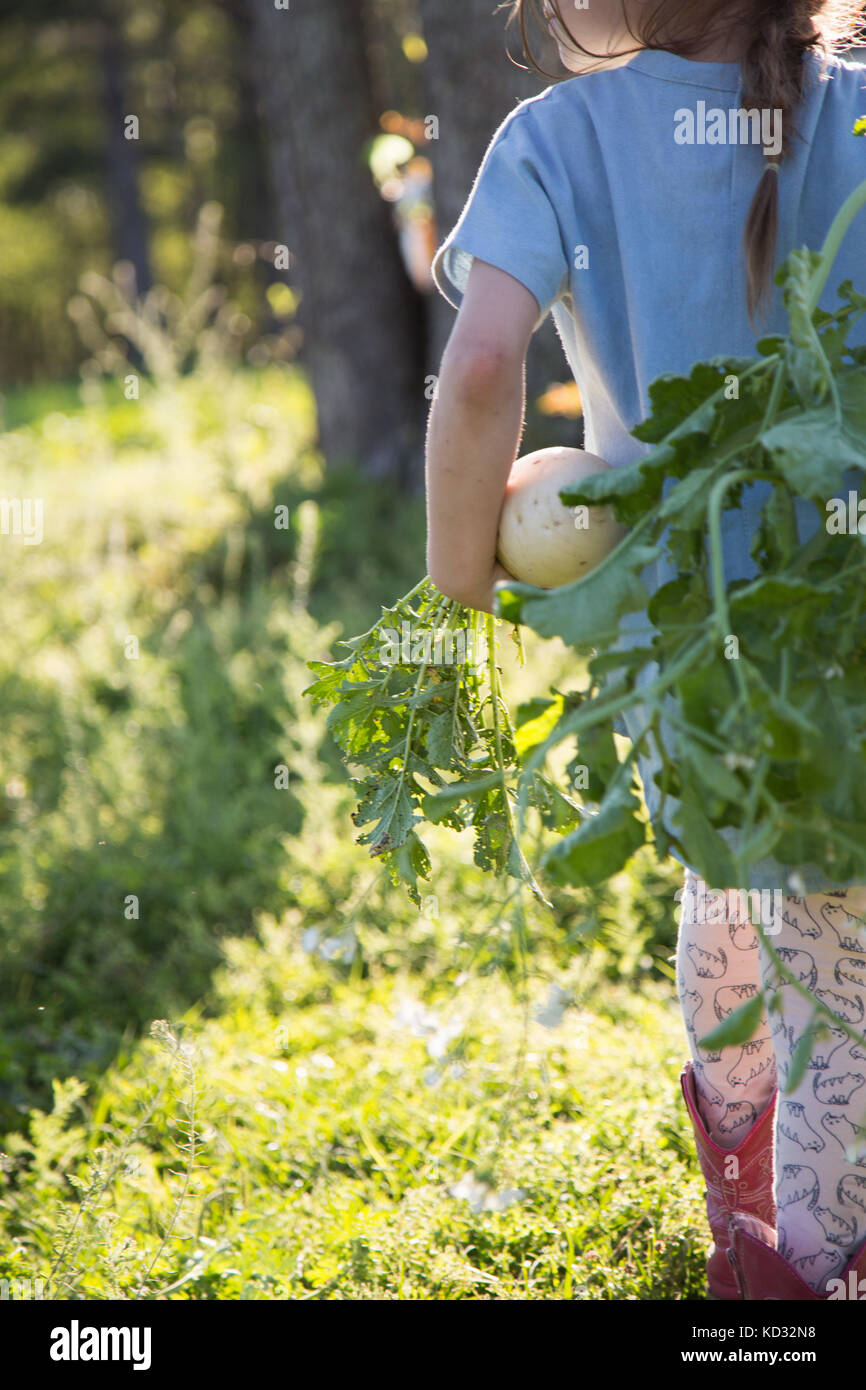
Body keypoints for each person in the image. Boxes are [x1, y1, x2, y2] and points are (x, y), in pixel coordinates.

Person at [425, 0, 866, 1300]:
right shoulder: (853, 111)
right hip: (836, 638)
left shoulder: (555, 138)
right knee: (835, 976)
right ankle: (813, 1275)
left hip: (683, 653)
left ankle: (744, 1196)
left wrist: (459, 568)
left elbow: (481, 365)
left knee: (725, 866)